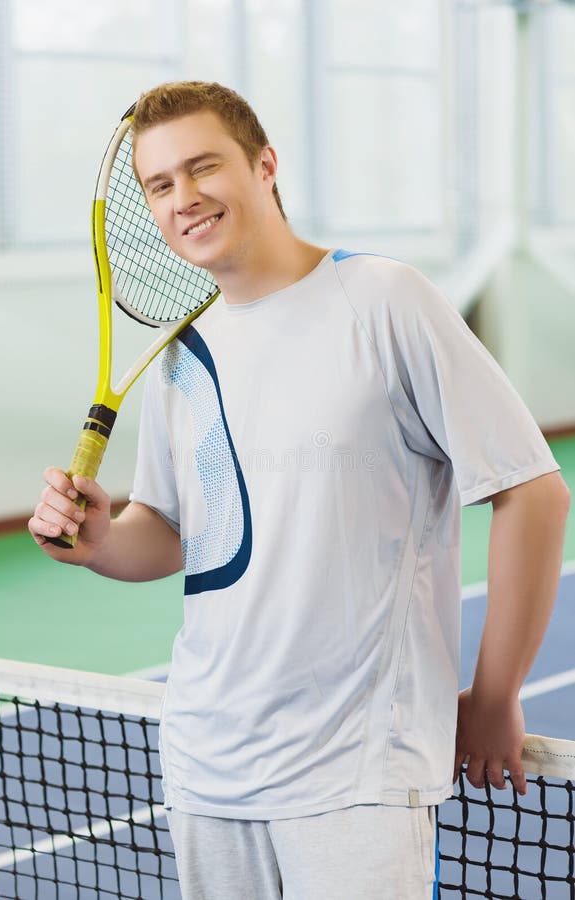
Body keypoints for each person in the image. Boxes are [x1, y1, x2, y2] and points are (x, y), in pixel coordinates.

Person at [28, 81, 570, 899]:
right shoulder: (183, 356)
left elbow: (531, 489)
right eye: (160, 184)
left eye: (203, 167)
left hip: (354, 770)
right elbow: (172, 532)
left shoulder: (383, 299)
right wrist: (102, 542)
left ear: (265, 165)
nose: (185, 199)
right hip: (208, 763)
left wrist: (494, 695)